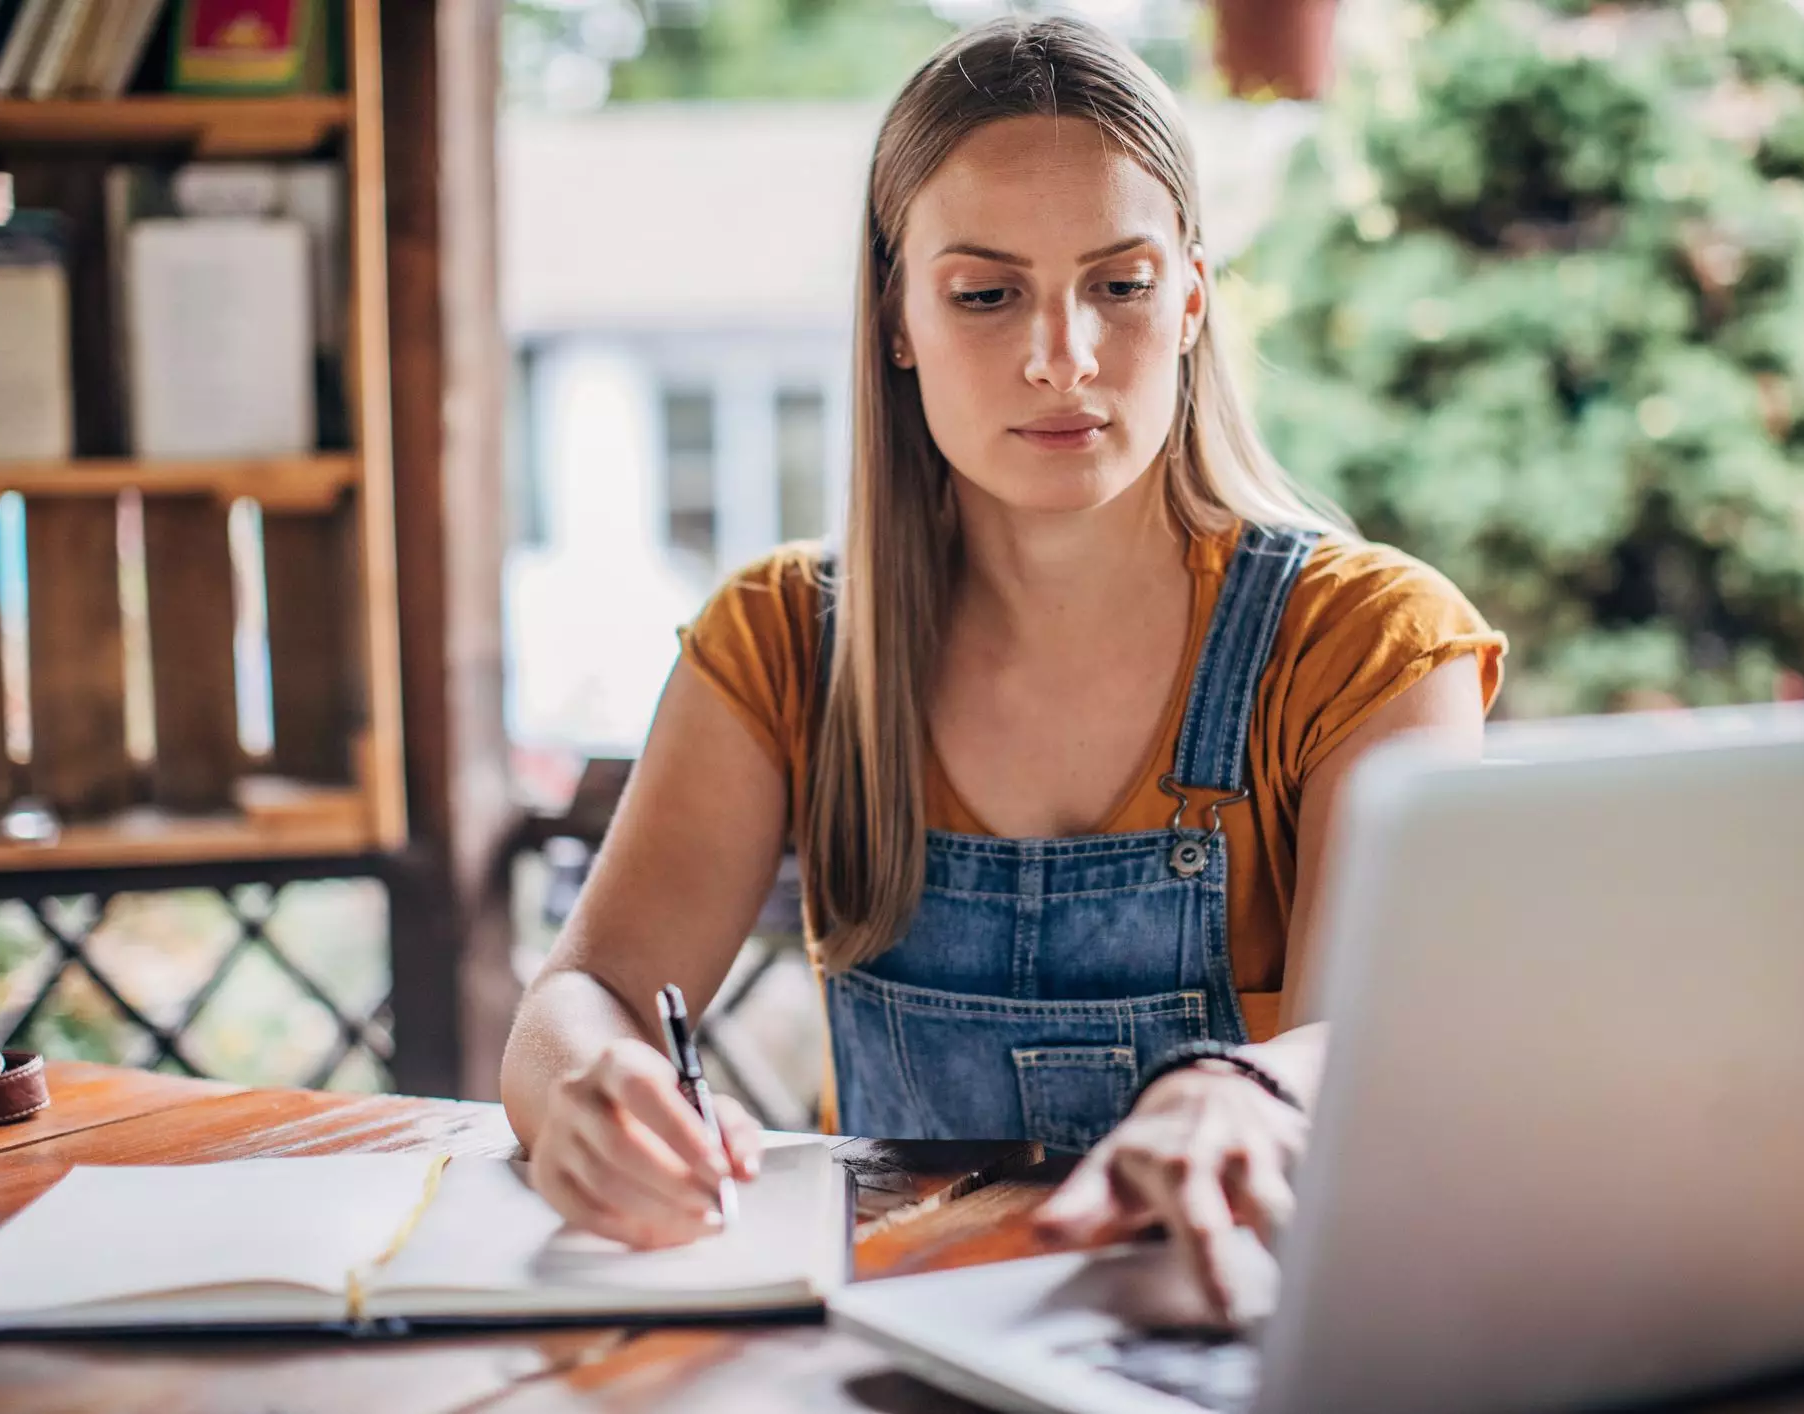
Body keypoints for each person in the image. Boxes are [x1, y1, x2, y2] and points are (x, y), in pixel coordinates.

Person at [500, 15, 1505, 1319]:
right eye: (986, 294)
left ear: (1195, 296)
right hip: (890, 1343)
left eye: (1121, 284)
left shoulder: (1369, 644)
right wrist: (584, 1077)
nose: (1063, 355)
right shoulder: (780, 643)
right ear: (898, 317)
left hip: (1240, 1343)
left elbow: (1388, 1047)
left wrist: (1245, 1087)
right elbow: (581, 996)